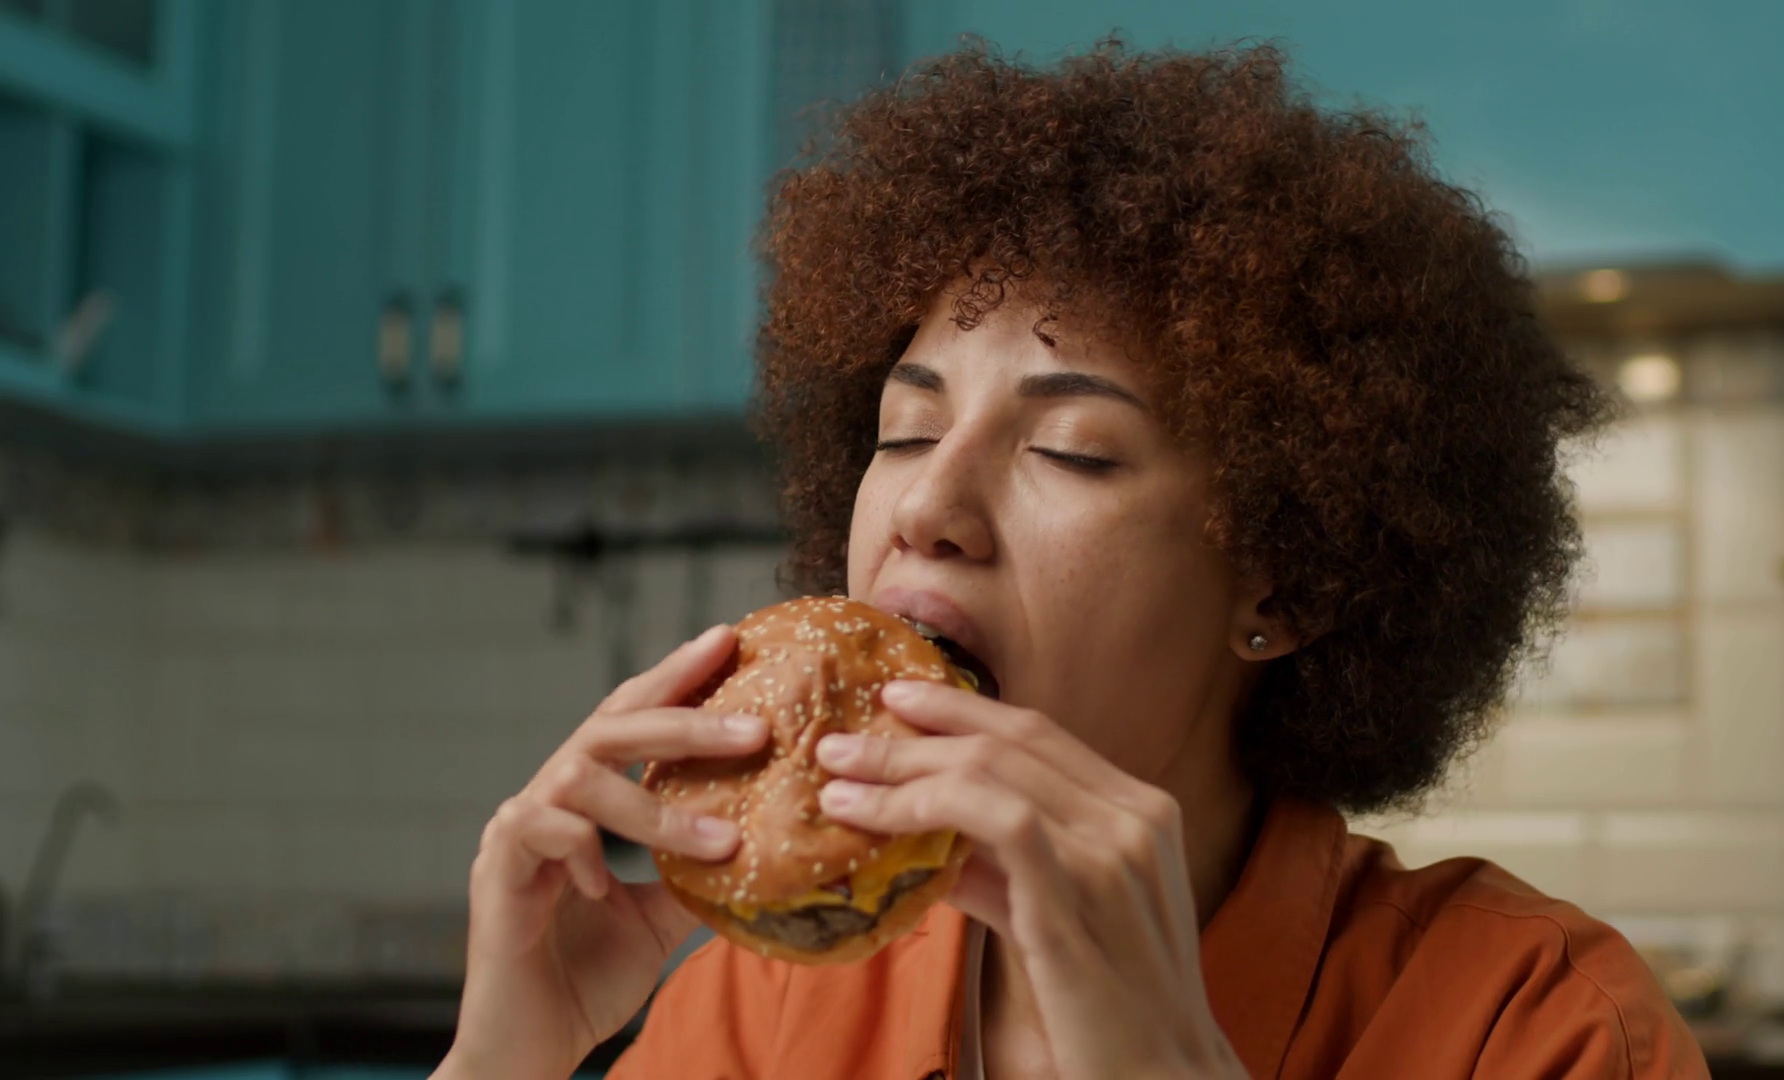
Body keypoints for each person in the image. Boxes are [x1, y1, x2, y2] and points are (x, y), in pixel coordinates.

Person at [430, 40, 1710, 1080]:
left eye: (1075, 449)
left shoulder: (1537, 1026)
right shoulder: (766, 1012)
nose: (929, 502)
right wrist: (508, 1055)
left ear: (1292, 580)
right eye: (907, 427)